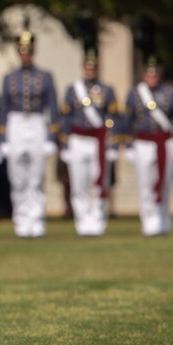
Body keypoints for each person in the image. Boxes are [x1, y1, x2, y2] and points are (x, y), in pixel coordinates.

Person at [0, 29, 58, 238]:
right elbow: (3, 109)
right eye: (22, 51)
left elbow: (53, 108)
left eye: (28, 51)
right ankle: (21, 220)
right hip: (16, 123)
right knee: (17, 177)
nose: (25, 55)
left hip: (37, 122)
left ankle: (36, 220)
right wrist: (2, 138)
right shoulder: (9, 78)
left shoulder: (45, 76)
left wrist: (51, 137)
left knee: (36, 176)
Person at [60, 42, 119, 237]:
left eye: (93, 66)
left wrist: (112, 144)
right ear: (82, 67)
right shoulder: (72, 90)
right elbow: (65, 118)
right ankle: (82, 221)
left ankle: (98, 219)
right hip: (78, 139)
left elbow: (113, 117)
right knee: (79, 183)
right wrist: (65, 144)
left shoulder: (107, 90)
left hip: (98, 142)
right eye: (87, 66)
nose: (90, 70)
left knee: (99, 182)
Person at [122, 56, 173, 236]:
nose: (152, 77)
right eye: (149, 74)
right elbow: (127, 120)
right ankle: (148, 221)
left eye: (155, 74)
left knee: (164, 182)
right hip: (144, 142)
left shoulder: (170, 93)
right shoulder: (134, 94)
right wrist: (128, 145)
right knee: (145, 184)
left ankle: (163, 220)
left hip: (164, 141)